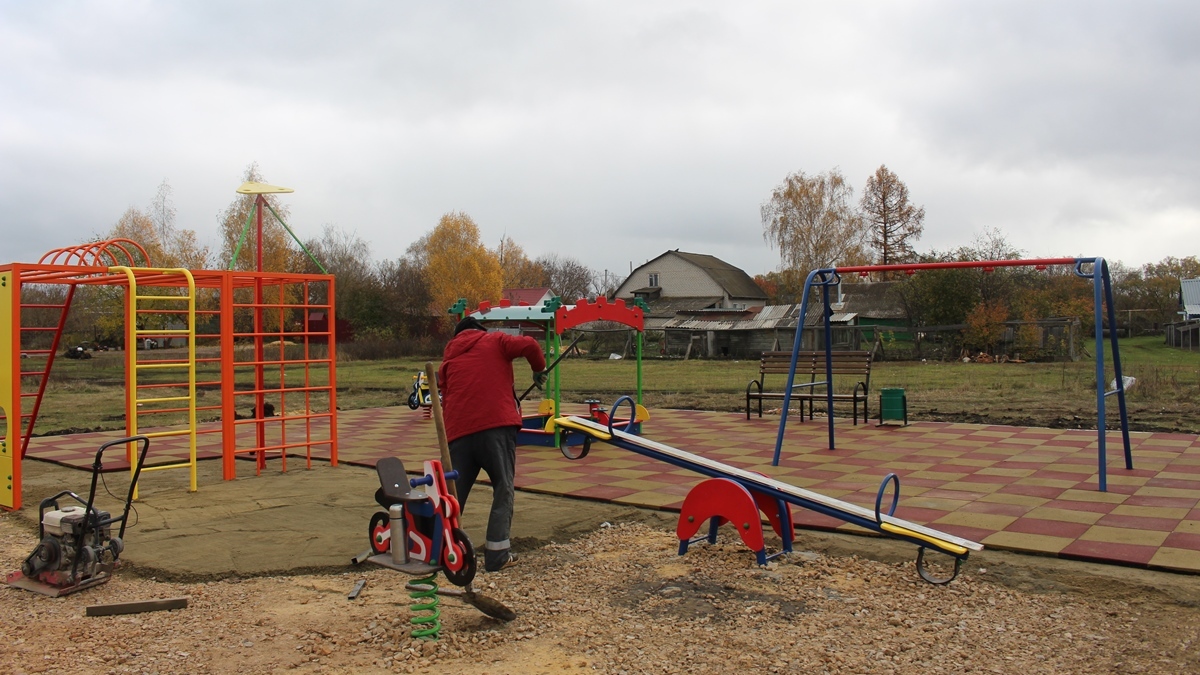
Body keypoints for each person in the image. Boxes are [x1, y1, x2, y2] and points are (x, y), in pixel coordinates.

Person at [437, 316, 547, 572]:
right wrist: (538, 368)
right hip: (496, 427)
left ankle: (444, 551)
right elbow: (530, 344)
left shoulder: (448, 361)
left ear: (456, 337)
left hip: (457, 433)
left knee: (453, 496)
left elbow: (447, 395)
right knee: (503, 487)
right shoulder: (494, 340)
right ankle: (497, 554)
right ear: (480, 330)